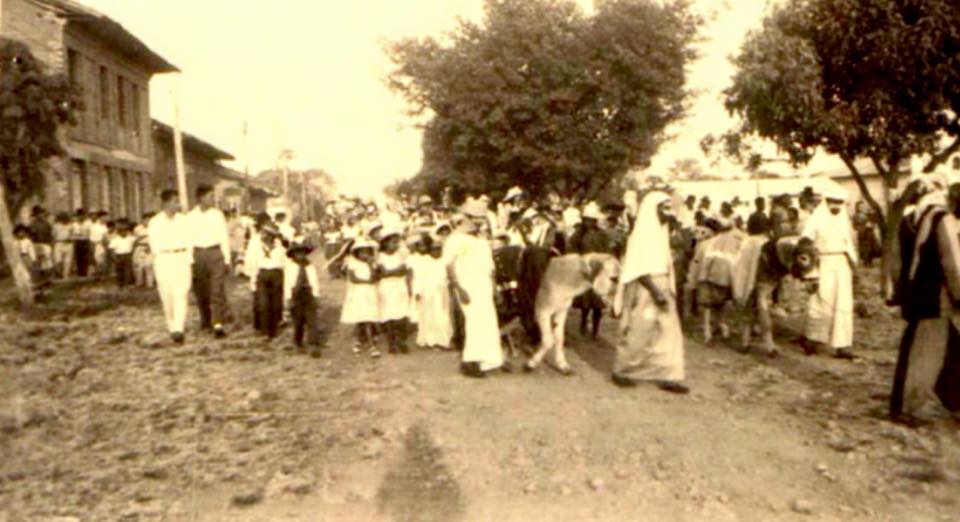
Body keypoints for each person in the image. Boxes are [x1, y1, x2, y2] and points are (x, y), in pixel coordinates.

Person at [612, 190, 688, 394]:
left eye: (668, 208)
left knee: (668, 331)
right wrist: (655, 291)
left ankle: (668, 374)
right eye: (664, 208)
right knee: (639, 329)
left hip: (662, 283)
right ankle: (623, 370)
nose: (668, 212)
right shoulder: (641, 234)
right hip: (646, 287)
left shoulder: (662, 231)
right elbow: (637, 266)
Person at [444, 199, 505, 377]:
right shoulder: (456, 238)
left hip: (484, 285)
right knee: (474, 322)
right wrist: (459, 288)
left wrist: (494, 289)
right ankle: (470, 361)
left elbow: (490, 266)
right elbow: (448, 265)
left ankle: (486, 360)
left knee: (487, 321)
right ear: (466, 217)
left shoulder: (482, 239)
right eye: (475, 218)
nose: (478, 221)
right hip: (467, 285)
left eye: (481, 218)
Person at [801, 187, 858, 359]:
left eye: (839, 203)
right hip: (822, 262)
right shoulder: (816, 219)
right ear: (826, 202)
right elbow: (805, 243)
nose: (836, 206)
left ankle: (842, 345)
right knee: (821, 302)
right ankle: (812, 340)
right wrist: (809, 271)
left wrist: (854, 266)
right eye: (833, 202)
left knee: (844, 304)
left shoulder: (843, 218)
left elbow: (849, 243)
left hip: (841, 264)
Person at [148, 190, 193, 345]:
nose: (177, 204)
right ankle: (172, 326)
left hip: (181, 258)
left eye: (178, 201)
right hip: (164, 259)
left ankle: (179, 329)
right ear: (165, 203)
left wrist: (188, 259)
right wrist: (158, 260)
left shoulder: (184, 221)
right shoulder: (155, 222)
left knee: (181, 293)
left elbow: (190, 241)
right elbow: (153, 245)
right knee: (167, 296)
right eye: (174, 201)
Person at [188, 184, 231, 338]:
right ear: (200, 198)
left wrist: (226, 259)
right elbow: (188, 239)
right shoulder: (191, 216)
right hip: (198, 254)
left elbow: (224, 237)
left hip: (215, 253)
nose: (213, 199)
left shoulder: (217, 215)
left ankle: (217, 323)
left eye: (213, 196)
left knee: (216, 289)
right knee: (201, 291)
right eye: (210, 196)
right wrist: (190, 259)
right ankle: (205, 320)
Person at [568, 201, 612, 339]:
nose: (588, 223)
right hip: (584, 269)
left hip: (598, 270)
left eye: (591, 220)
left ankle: (595, 330)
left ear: (595, 221)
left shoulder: (602, 235)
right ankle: (583, 323)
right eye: (586, 220)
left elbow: (607, 251)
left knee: (597, 303)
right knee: (585, 301)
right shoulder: (578, 234)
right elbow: (572, 248)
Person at [411, 235, 453, 350]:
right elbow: (419, 278)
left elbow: (449, 277)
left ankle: (443, 340)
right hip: (428, 292)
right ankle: (430, 340)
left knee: (442, 315)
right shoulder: (425, 262)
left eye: (439, 249)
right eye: (434, 249)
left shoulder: (444, 261)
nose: (436, 251)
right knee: (429, 316)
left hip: (442, 292)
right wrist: (418, 291)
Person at [341, 239, 381, 358]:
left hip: (369, 293)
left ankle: (371, 344)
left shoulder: (372, 264)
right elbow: (353, 278)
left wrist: (370, 265)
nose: (365, 255)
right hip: (358, 293)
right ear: (356, 253)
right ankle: (358, 341)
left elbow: (375, 277)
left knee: (369, 318)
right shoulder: (352, 264)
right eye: (362, 252)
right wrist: (367, 281)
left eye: (367, 252)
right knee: (360, 319)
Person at [376, 226, 411, 355]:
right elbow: (383, 273)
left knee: (401, 314)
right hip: (386, 287)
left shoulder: (400, 255)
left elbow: (404, 270)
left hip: (399, 286)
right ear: (385, 242)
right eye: (393, 242)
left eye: (397, 242)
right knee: (389, 314)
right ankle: (391, 342)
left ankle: (401, 340)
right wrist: (394, 271)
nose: (396, 245)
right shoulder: (380, 256)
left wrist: (392, 272)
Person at [285, 240, 322, 355]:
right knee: (298, 321)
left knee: (312, 320)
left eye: (302, 253)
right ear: (293, 255)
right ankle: (298, 342)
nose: (300, 256)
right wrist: (288, 298)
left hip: (308, 293)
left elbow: (314, 281)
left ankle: (313, 344)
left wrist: (316, 295)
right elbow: (287, 283)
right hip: (296, 294)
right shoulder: (290, 267)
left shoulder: (309, 266)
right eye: (297, 253)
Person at [249, 225, 286, 340]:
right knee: (263, 303)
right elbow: (253, 264)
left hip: (276, 274)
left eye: (267, 234)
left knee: (276, 303)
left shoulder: (279, 248)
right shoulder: (257, 248)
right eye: (262, 234)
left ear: (272, 237)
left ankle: (273, 328)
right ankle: (265, 331)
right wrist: (253, 279)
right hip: (262, 274)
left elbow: (285, 264)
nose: (263, 236)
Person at [28, 206, 53, 282]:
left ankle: (48, 278)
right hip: (37, 244)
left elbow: (50, 233)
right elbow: (31, 234)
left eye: (41, 213)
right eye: (38, 213)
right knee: (39, 261)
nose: (40, 215)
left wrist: (50, 243)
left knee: (47, 261)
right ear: (35, 215)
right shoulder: (32, 224)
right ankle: (41, 278)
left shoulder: (46, 223)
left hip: (46, 244)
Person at [109, 220, 136, 287]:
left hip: (127, 255)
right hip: (119, 256)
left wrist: (132, 252)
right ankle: (120, 284)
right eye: (122, 231)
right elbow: (111, 249)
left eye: (126, 231)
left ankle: (129, 283)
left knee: (128, 270)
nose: (124, 233)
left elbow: (136, 242)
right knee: (120, 271)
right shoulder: (115, 239)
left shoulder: (130, 238)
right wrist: (114, 258)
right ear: (119, 232)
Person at [133, 214, 155, 288]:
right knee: (138, 266)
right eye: (145, 220)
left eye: (149, 220)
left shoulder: (153, 227)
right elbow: (136, 239)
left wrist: (150, 245)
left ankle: (150, 283)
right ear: (142, 220)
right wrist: (145, 235)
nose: (147, 221)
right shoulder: (138, 228)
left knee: (149, 266)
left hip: (150, 247)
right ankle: (139, 283)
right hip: (140, 246)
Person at [52, 212, 73, 279]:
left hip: (68, 244)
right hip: (59, 243)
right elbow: (53, 236)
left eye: (66, 217)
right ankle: (59, 274)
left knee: (67, 261)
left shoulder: (70, 226)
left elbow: (72, 235)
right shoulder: (56, 226)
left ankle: (65, 276)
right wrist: (54, 244)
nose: (65, 219)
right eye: (63, 218)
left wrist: (70, 238)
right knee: (58, 260)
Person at [72, 209, 92, 277]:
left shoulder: (88, 223)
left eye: (82, 215)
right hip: (77, 241)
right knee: (78, 257)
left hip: (85, 241)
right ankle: (79, 273)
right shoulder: (74, 224)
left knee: (85, 257)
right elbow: (72, 234)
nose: (81, 217)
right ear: (77, 216)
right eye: (79, 215)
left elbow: (90, 233)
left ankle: (85, 273)